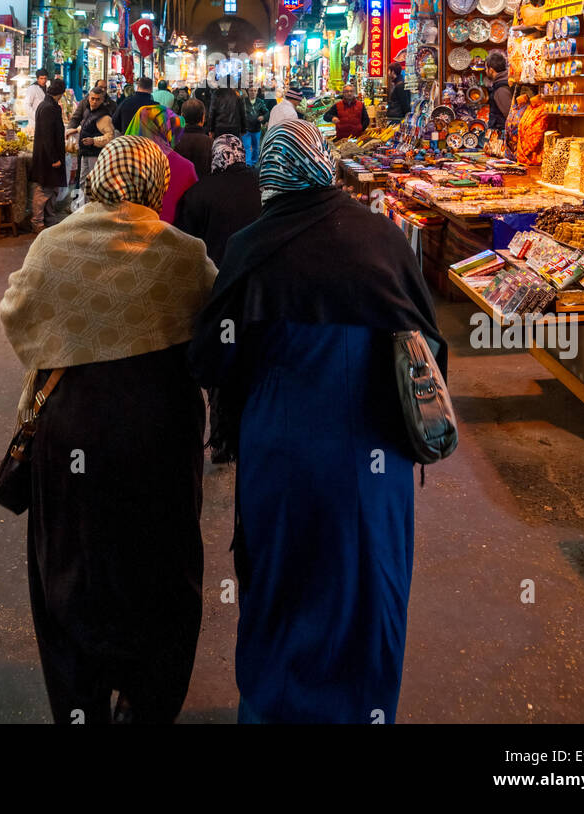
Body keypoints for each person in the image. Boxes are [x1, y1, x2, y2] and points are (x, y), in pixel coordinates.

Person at [187, 120, 447, 725]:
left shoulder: (253, 247)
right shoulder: (381, 239)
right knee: (368, 582)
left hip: (283, 449)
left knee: (282, 581)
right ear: (323, 163)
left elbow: (211, 357)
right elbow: (430, 346)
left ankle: (275, 709)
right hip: (375, 452)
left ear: (272, 176)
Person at [0, 136, 218, 725]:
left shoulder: (52, 247)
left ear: (97, 178)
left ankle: (81, 707)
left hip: (72, 428)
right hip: (160, 429)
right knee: (164, 565)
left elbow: (17, 317)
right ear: (155, 185)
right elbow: (214, 331)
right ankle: (148, 704)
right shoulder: (182, 253)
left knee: (71, 568)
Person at [174, 135, 262, 267]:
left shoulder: (198, 191)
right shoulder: (261, 182)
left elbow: (185, 237)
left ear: (214, 155)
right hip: (254, 264)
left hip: (215, 269)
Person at [125, 104, 197, 224]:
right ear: (168, 128)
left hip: (126, 233)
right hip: (169, 234)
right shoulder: (185, 167)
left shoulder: (123, 160)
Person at [30, 77, 68, 234]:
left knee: (52, 188)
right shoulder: (48, 108)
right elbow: (47, 135)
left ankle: (50, 218)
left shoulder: (48, 105)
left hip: (50, 155)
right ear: (60, 93)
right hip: (47, 157)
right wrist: (54, 158)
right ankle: (37, 221)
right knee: (44, 189)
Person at [74, 85, 115, 185]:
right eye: (92, 99)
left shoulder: (104, 117)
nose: (94, 102)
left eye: (98, 99)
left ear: (102, 100)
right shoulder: (89, 111)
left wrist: (94, 141)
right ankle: (83, 201)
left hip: (95, 154)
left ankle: (89, 201)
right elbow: (86, 126)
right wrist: (75, 130)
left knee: (93, 182)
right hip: (85, 152)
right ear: (89, 98)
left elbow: (110, 137)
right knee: (83, 181)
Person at [175, 98, 213, 179]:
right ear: (203, 118)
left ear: (182, 116)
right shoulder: (210, 142)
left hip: (180, 188)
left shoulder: (173, 141)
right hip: (203, 188)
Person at [485, 51, 512, 133]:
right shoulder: (503, 83)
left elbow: (509, 116)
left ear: (491, 70)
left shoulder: (501, 89)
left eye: (486, 68)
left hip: (501, 134)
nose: (485, 71)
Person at [241, 88, 265, 166]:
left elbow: (266, 112)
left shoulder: (260, 102)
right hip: (246, 128)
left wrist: (263, 117)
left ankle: (254, 163)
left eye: (255, 91)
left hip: (256, 129)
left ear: (257, 92)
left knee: (255, 147)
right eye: (251, 90)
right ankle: (248, 164)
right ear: (248, 91)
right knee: (247, 147)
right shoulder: (243, 101)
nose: (253, 92)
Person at [25, 70, 49, 134]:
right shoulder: (32, 88)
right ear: (37, 79)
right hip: (34, 122)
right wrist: (36, 116)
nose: (43, 81)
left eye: (45, 78)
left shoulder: (47, 89)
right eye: (41, 78)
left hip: (46, 122)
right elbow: (27, 105)